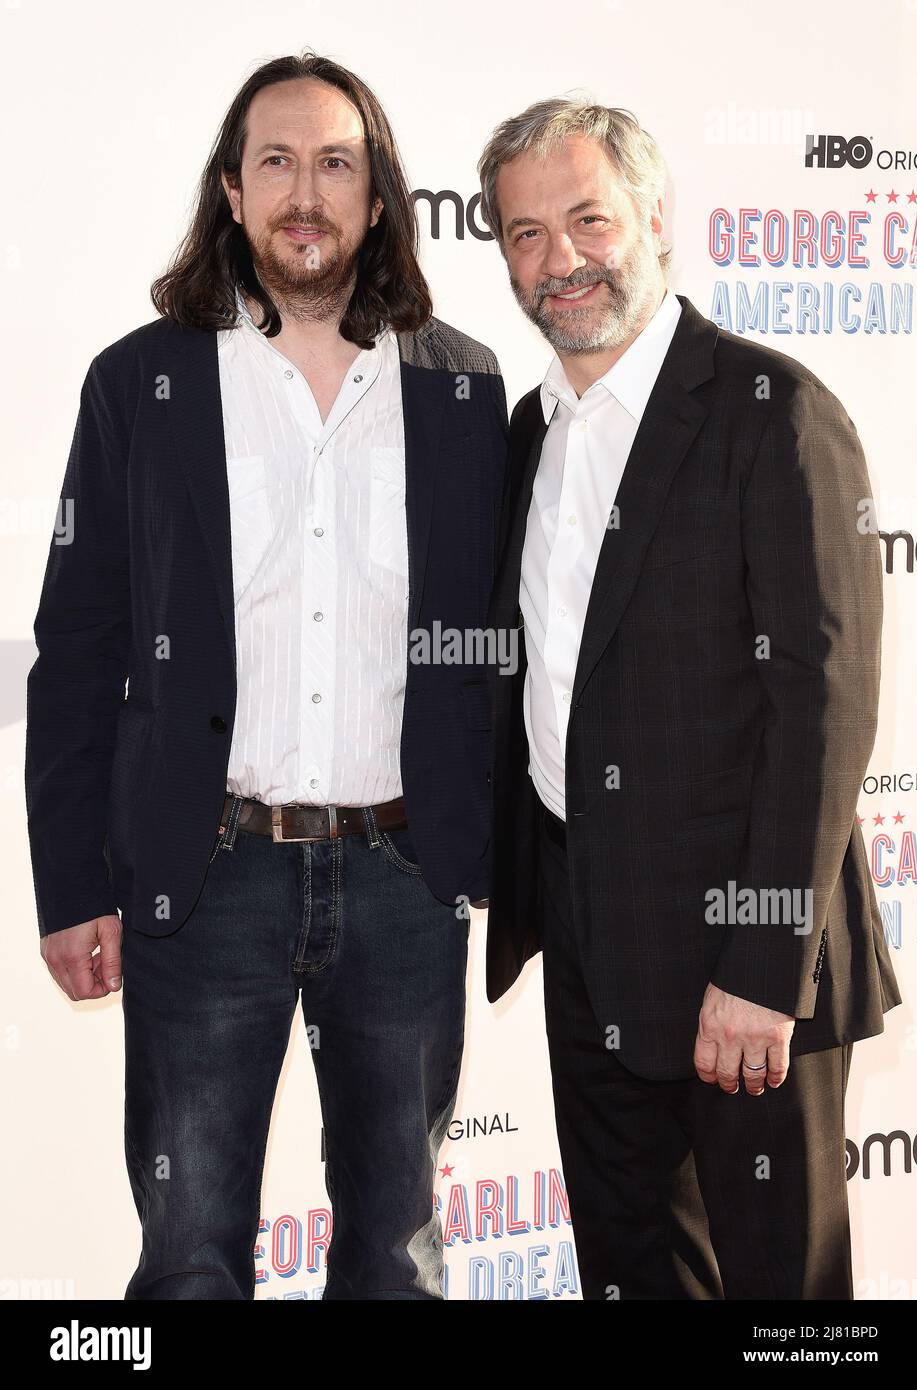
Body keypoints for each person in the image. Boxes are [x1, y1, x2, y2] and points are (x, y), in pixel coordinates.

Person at [25, 51, 506, 1301]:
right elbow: (77, 648)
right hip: (204, 875)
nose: (305, 192)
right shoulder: (141, 382)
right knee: (189, 1259)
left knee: (395, 1260)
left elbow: (495, 645)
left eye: (335, 163)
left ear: (378, 195)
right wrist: (72, 882)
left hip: (403, 881)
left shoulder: (460, 384)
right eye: (276, 162)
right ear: (231, 193)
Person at [478, 96, 901, 1300]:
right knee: (632, 1272)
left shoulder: (774, 411)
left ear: (656, 219)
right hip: (590, 946)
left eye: (587, 219)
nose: (560, 259)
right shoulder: (529, 433)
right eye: (524, 234)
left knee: (783, 1300)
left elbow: (825, 703)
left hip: (743, 951)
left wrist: (763, 966)